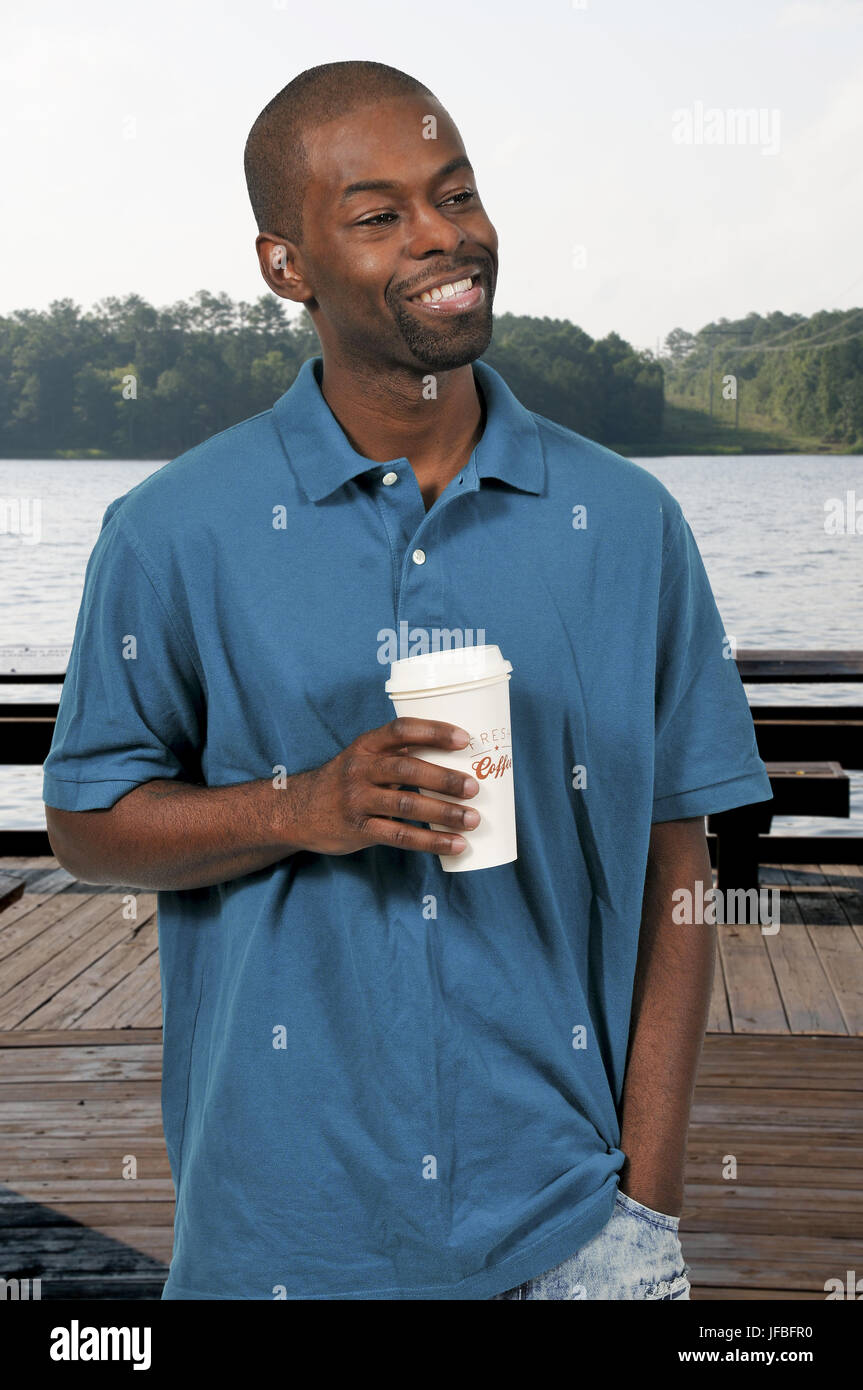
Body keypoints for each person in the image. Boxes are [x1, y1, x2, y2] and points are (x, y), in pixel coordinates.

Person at [42, 61, 772, 1300]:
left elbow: (679, 865)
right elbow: (84, 824)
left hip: (572, 1231)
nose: (444, 237)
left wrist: (646, 1203)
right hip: (276, 1244)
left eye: (456, 194)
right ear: (287, 266)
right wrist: (297, 809)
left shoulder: (630, 522)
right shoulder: (172, 530)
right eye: (379, 215)